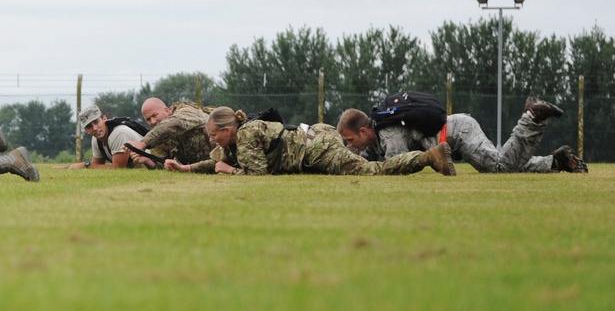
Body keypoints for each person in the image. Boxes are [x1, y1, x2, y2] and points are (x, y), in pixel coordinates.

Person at [164, 106, 455, 177]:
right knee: (369, 166)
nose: (211, 139)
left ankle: (429, 157)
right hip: (317, 135)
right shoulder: (236, 140)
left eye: (213, 135)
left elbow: (257, 175)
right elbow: (219, 161)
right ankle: (429, 157)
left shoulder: (248, 135)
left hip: (317, 151)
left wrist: (230, 172)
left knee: (373, 171)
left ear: (228, 130)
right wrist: (186, 168)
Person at [336, 96, 587, 173]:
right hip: (457, 129)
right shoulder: (374, 136)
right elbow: (366, 158)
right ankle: (557, 161)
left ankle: (532, 118)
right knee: (506, 162)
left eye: (350, 141)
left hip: (459, 133)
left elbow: (396, 165)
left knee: (499, 168)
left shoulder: (388, 132)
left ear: (363, 130)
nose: (351, 147)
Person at [125, 98, 212, 168]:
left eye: (155, 115)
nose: (153, 121)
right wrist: (148, 161)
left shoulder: (186, 111)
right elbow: (164, 165)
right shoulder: (158, 136)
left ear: (166, 111)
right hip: (202, 168)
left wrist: (143, 143)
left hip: (220, 158)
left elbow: (175, 124)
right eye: (148, 119)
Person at [69, 104, 144, 169]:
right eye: (89, 126)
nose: (95, 128)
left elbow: (118, 169)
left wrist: (86, 165)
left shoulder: (118, 133)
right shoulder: (96, 139)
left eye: (96, 122)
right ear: (87, 130)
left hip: (150, 166)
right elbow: (97, 166)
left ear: (104, 119)